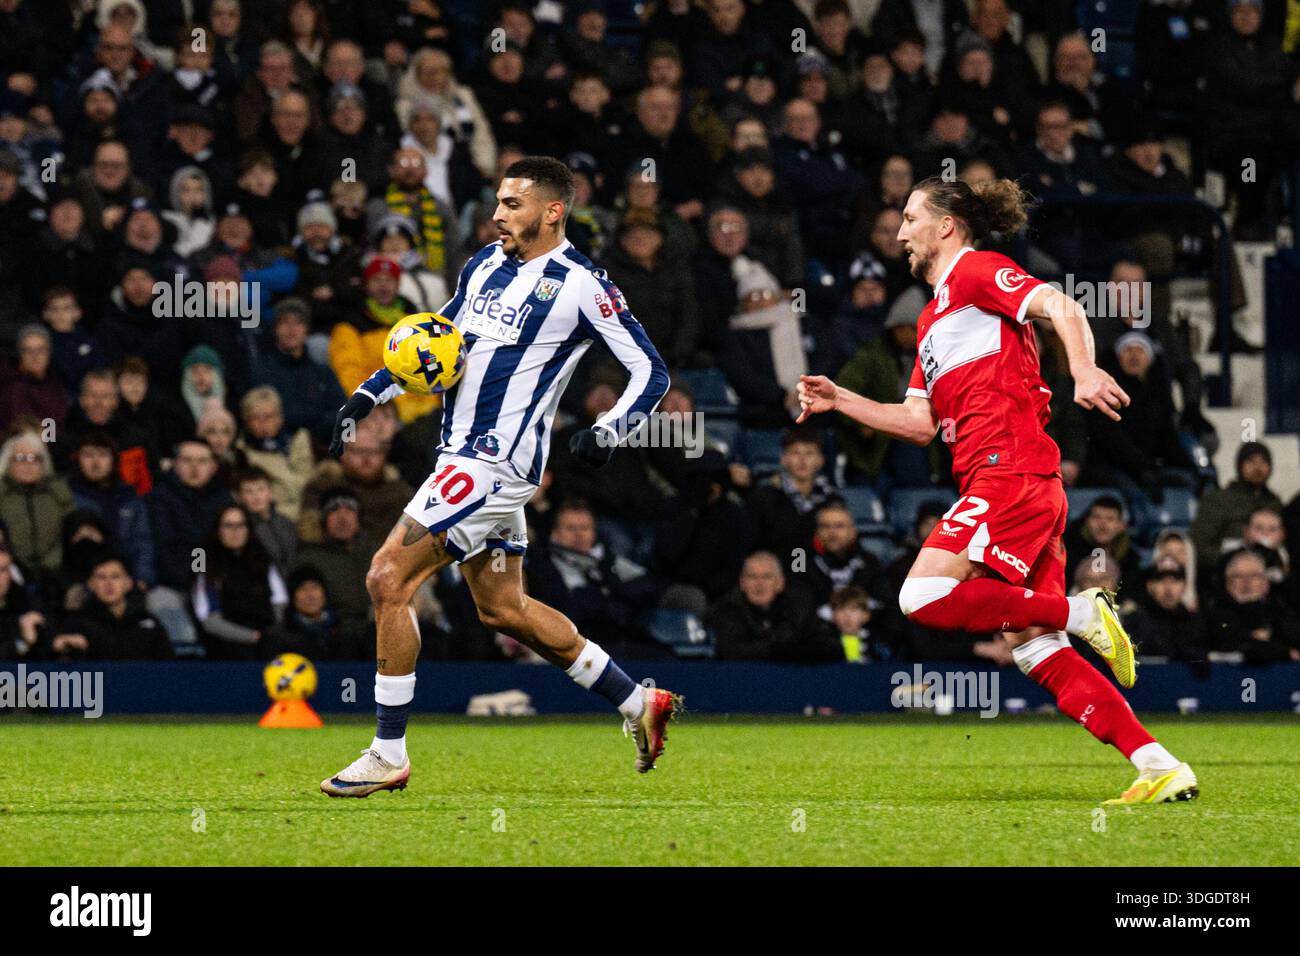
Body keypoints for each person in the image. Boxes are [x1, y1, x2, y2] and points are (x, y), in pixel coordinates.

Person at [797, 176, 1198, 804]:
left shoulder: (977, 271)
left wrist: (1086, 368)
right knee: (1036, 651)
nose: (900, 232)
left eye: (909, 217)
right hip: (1017, 482)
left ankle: (1083, 610)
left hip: (1007, 472)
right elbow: (918, 423)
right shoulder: (933, 319)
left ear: (947, 226)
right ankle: (1159, 764)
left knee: (923, 595)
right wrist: (840, 399)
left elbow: (1063, 306)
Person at [319, 156, 676, 796]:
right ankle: (638, 703)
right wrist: (372, 392)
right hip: (457, 454)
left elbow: (650, 371)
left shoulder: (581, 284)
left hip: (494, 465)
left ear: (552, 210)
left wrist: (609, 430)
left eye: (512, 204)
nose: (497, 215)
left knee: (385, 575)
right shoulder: (483, 264)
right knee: (504, 609)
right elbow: (435, 340)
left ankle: (386, 752)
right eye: (498, 202)